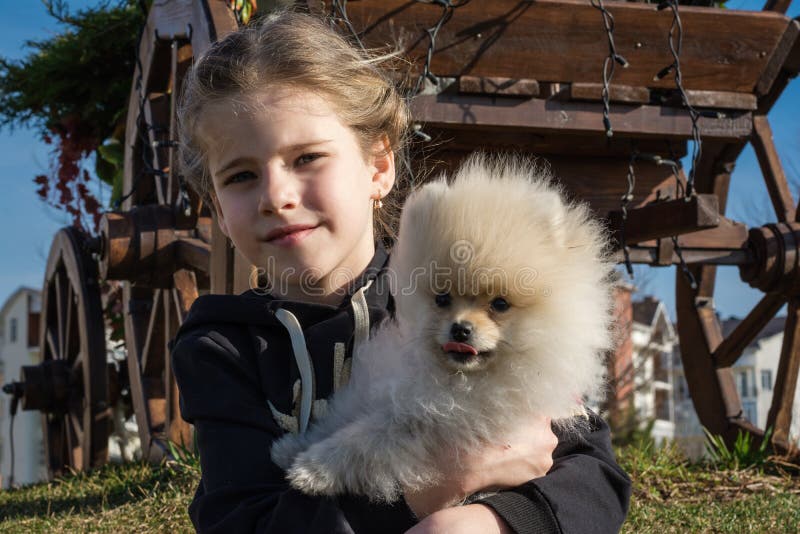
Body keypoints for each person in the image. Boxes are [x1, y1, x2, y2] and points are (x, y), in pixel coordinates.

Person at [170, 10, 630, 534]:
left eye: (306, 158)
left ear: (379, 167)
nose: (276, 197)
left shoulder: (443, 298)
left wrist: (495, 521)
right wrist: (436, 486)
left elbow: (595, 478)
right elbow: (242, 521)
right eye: (241, 175)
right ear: (217, 206)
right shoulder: (221, 347)